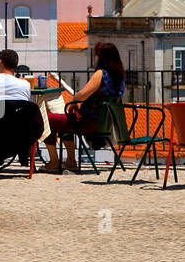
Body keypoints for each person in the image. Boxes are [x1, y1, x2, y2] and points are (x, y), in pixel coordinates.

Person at [41, 41, 126, 173]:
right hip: (104, 124)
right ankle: (70, 161)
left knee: (46, 119)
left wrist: (74, 101)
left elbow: (82, 94)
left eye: (96, 54)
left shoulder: (101, 74)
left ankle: (54, 161)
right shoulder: (120, 77)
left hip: (88, 122)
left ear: (101, 57)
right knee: (66, 121)